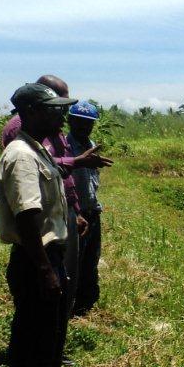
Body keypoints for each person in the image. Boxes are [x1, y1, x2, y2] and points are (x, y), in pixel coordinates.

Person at [0, 83, 82, 367]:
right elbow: (27, 216)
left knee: (52, 334)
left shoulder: (37, 149)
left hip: (49, 257)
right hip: (36, 260)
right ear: (30, 112)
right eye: (53, 109)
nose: (60, 115)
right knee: (34, 336)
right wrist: (45, 270)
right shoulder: (20, 156)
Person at [2, 75, 111, 317]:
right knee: (38, 295)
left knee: (70, 271)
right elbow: (27, 205)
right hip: (41, 226)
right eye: (58, 106)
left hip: (63, 216)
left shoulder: (51, 131)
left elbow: (60, 174)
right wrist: (77, 162)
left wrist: (74, 209)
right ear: (39, 105)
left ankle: (62, 325)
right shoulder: (20, 138)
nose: (63, 115)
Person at [66, 101, 104, 315]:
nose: (84, 127)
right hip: (76, 214)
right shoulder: (65, 147)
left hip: (92, 211)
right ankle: (70, 305)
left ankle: (86, 304)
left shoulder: (91, 143)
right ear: (70, 121)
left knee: (91, 259)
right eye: (79, 123)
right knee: (74, 262)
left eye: (89, 123)